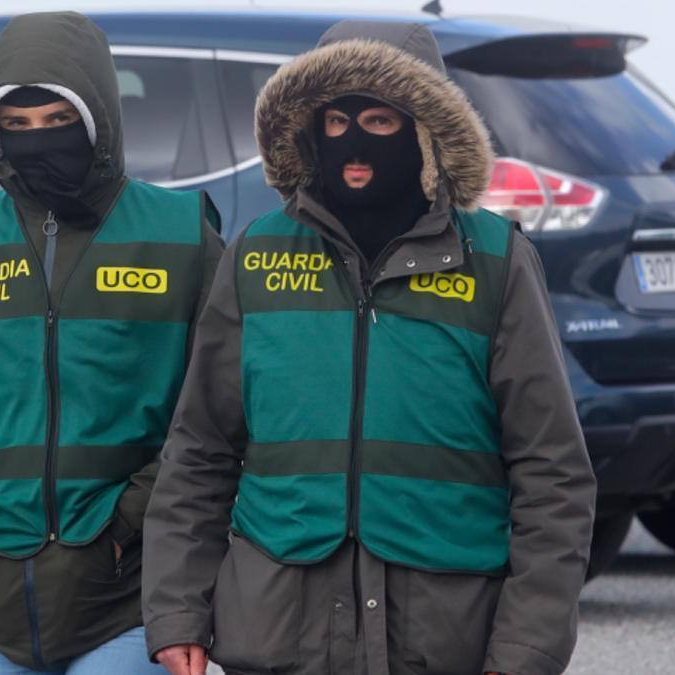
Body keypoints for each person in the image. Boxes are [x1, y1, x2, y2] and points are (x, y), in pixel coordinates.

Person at [142, 20, 596, 675]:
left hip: (444, 641)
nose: (354, 144)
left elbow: (553, 472)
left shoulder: (496, 260)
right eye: (335, 123)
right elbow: (199, 452)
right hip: (279, 636)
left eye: (381, 123)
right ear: (307, 130)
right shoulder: (254, 255)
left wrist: (526, 647)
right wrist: (179, 610)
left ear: (427, 132)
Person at [0, 11, 223, 674]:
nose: (39, 140)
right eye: (18, 125)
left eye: (58, 121)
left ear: (98, 118)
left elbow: (218, 403)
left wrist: (130, 518)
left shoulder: (180, 232)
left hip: (127, 596)